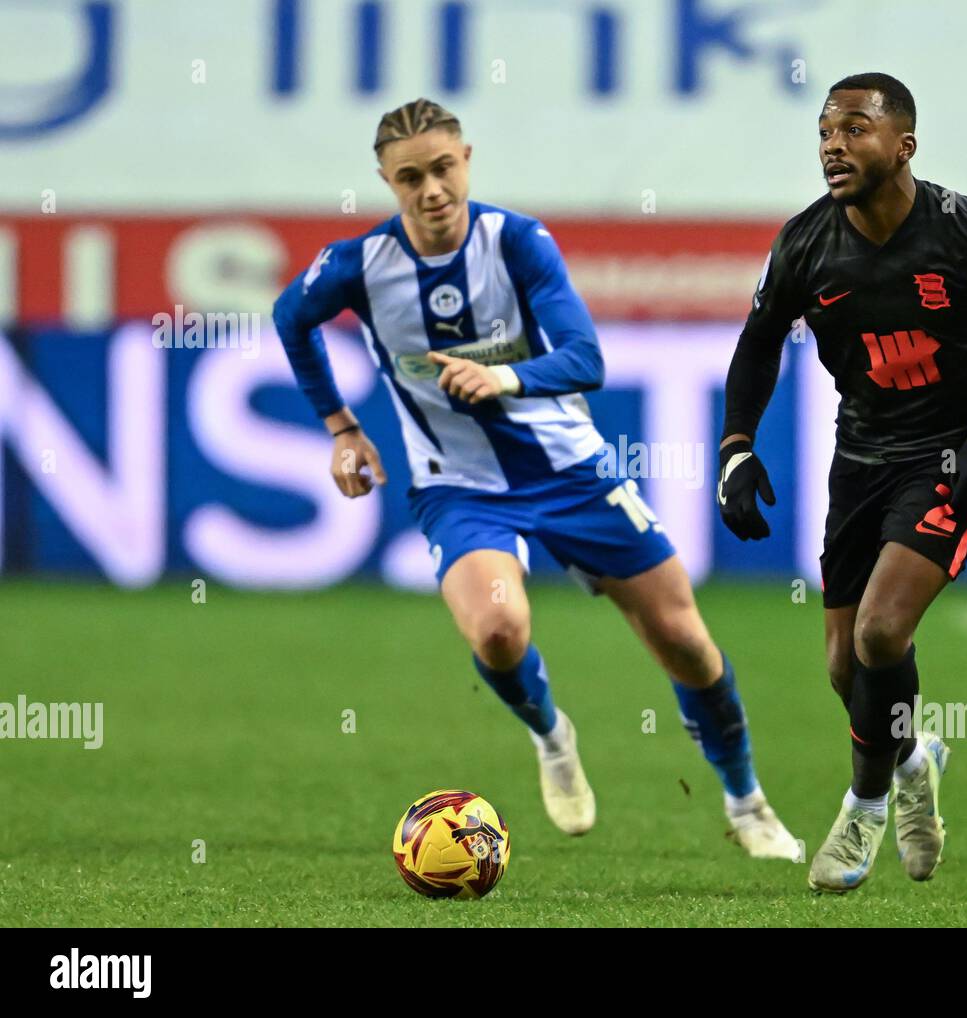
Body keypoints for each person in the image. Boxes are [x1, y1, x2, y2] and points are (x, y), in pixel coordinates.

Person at [273, 98, 797, 859]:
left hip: (570, 470)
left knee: (683, 639)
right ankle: (553, 736)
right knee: (497, 627)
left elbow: (586, 358)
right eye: (409, 177)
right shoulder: (360, 265)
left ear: (467, 160)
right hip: (459, 486)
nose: (431, 190)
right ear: (386, 181)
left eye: (443, 168)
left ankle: (747, 801)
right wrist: (342, 428)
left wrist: (506, 380)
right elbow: (290, 317)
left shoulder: (516, 242)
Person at [717, 73, 967, 892]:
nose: (833, 146)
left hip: (955, 454)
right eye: (823, 132)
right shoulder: (806, 243)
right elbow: (758, 342)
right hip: (863, 456)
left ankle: (865, 810)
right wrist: (736, 445)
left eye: (855, 129)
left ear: (903, 145)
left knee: (883, 634)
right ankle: (916, 757)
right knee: (848, 670)